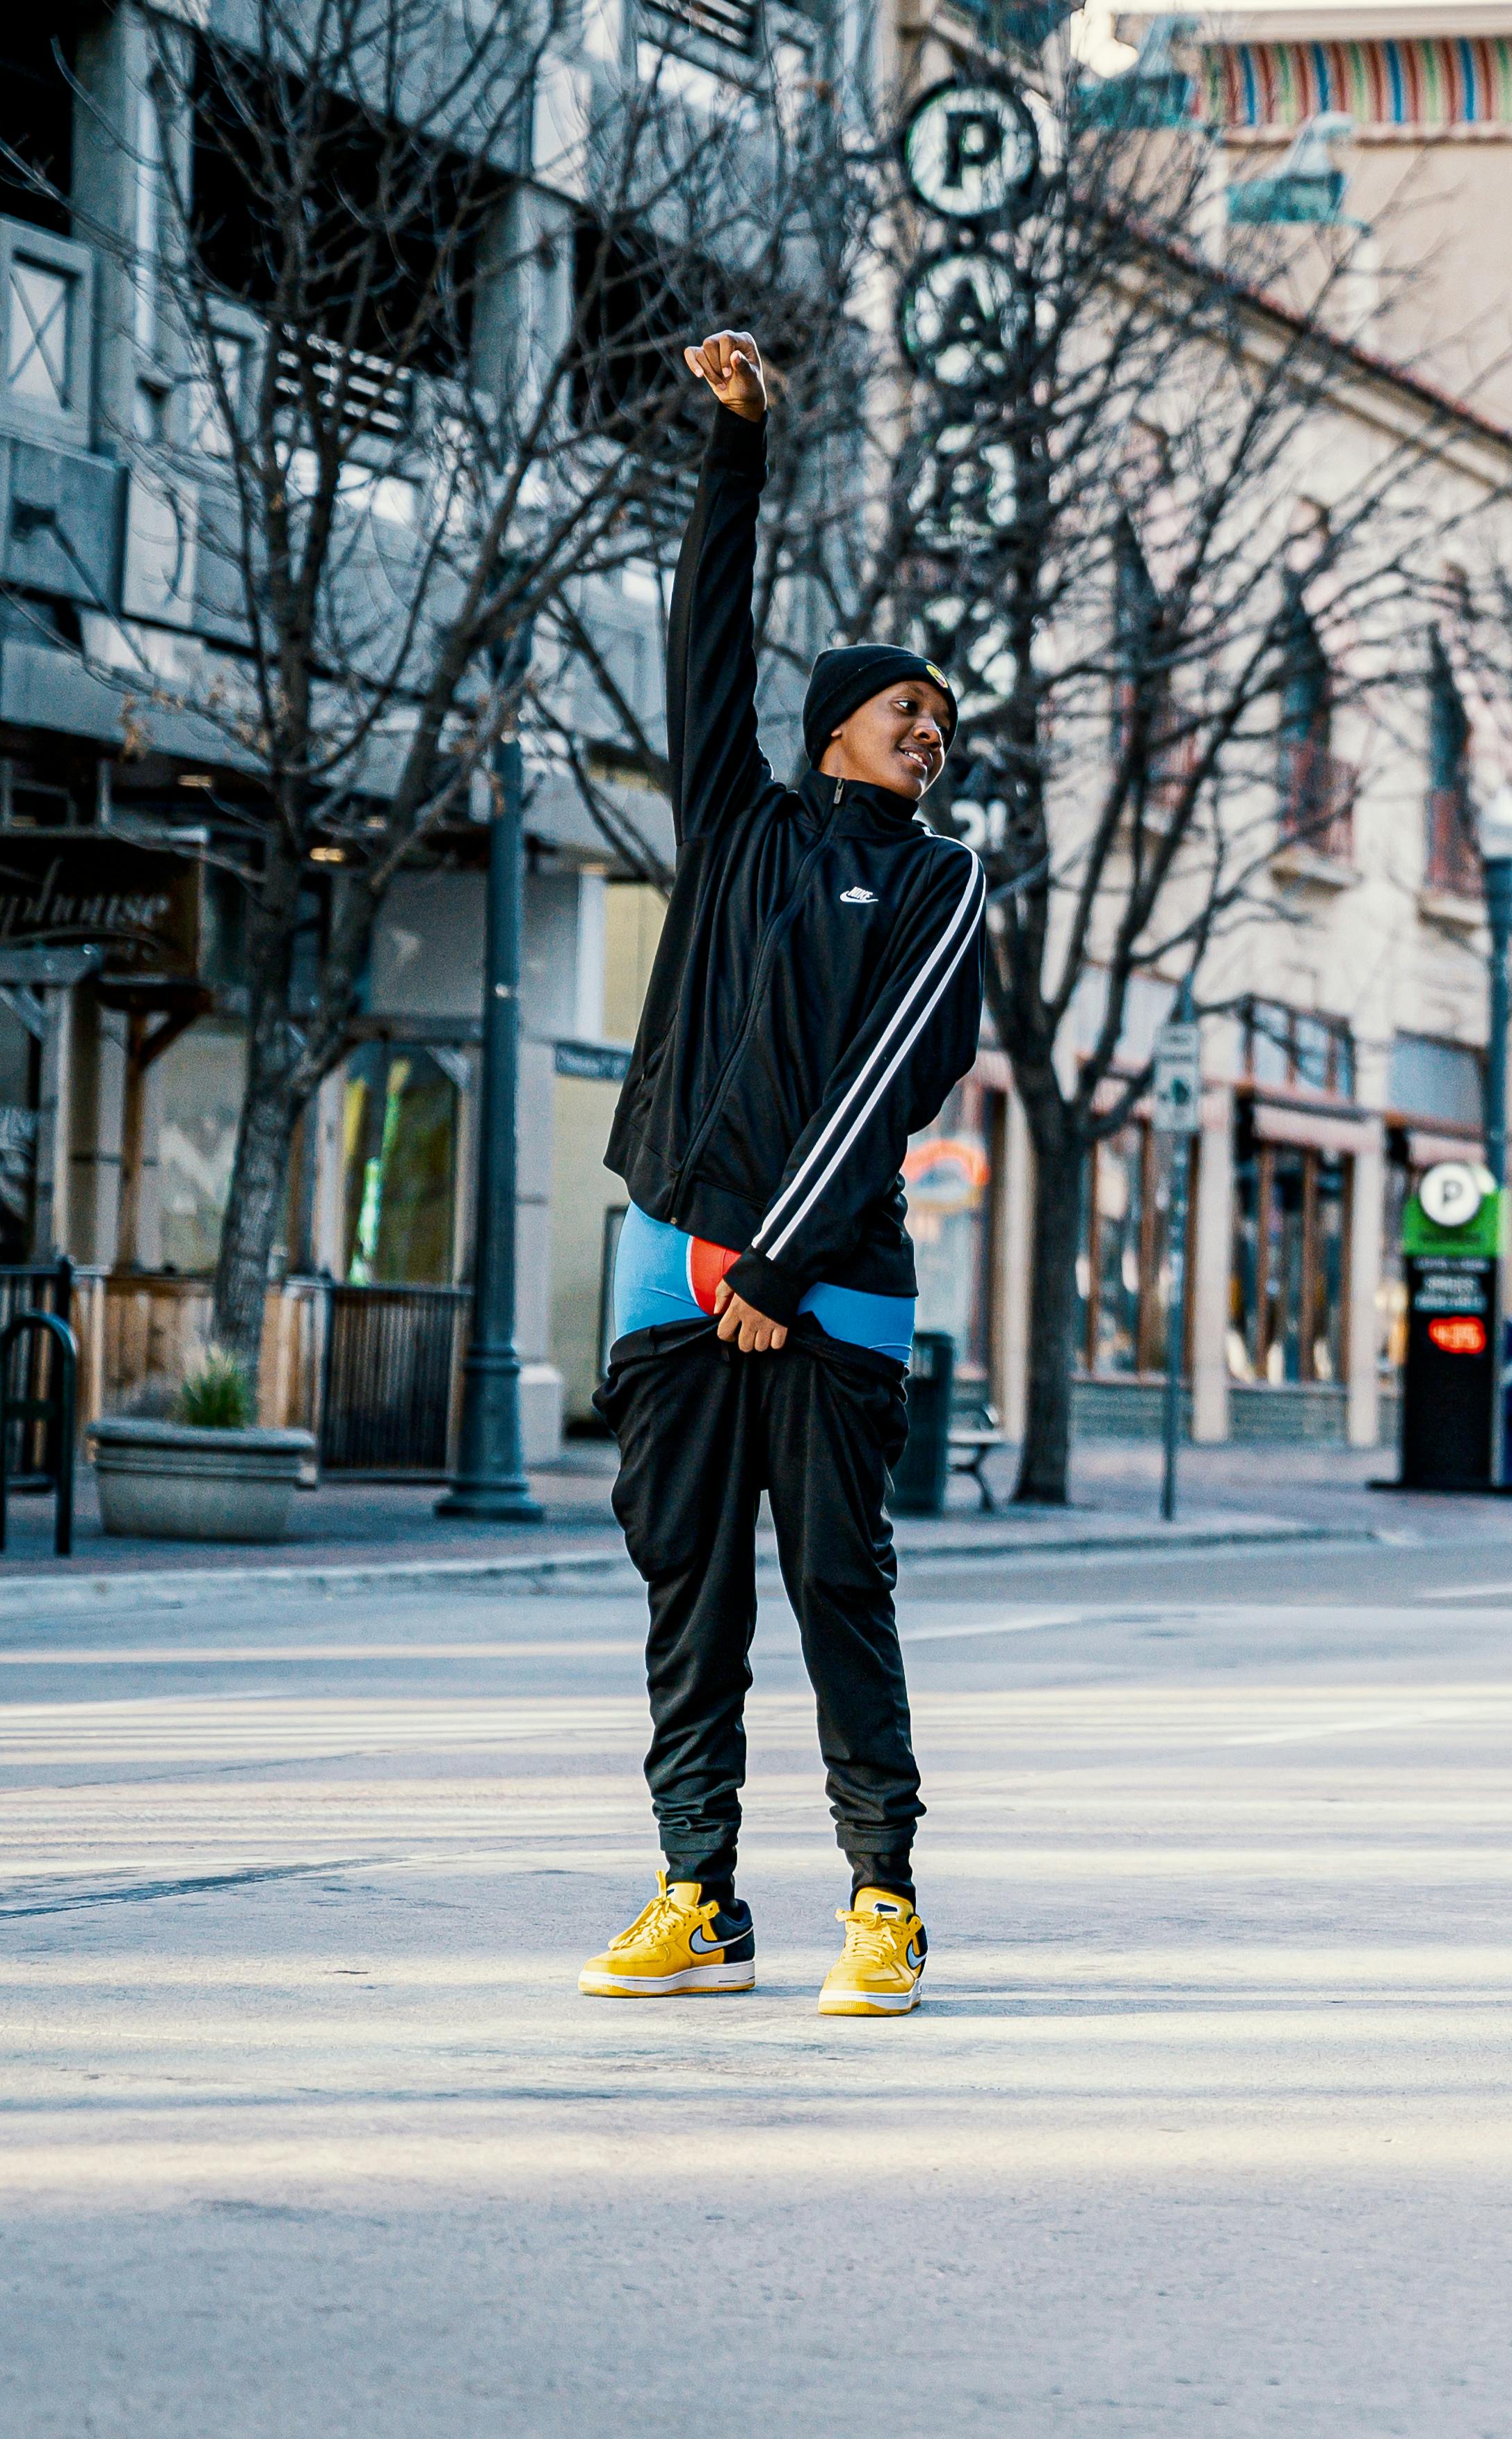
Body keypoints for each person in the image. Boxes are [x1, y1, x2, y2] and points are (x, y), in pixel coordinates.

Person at [576, 330, 986, 2018]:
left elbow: (893, 1079)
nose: (933, 735)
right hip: (679, 1256)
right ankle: (699, 1891)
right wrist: (734, 446)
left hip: (830, 1288)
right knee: (689, 1584)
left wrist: (772, 1262)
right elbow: (707, 630)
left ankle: (881, 1900)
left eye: (946, 724)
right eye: (911, 711)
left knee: (833, 1582)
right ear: (837, 725)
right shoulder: (737, 832)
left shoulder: (941, 881)